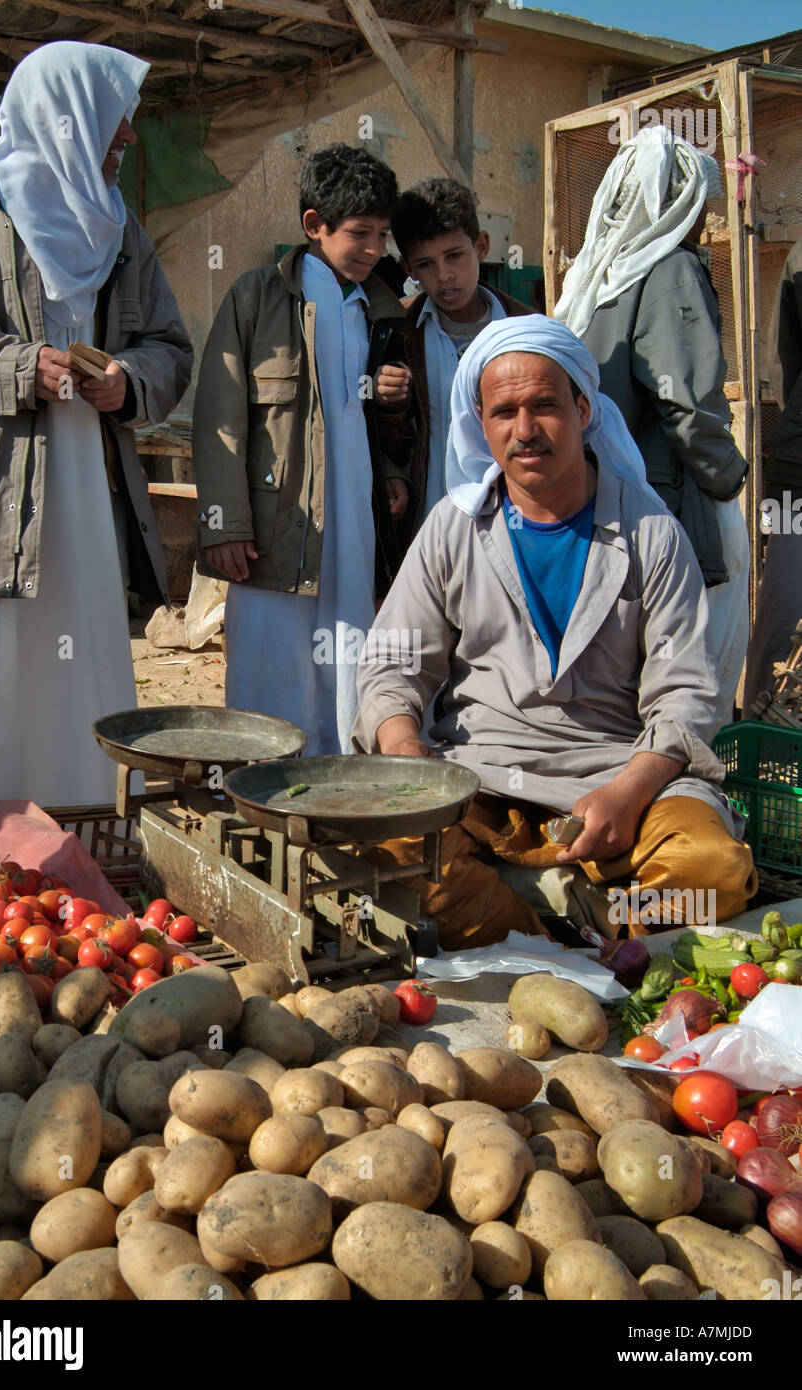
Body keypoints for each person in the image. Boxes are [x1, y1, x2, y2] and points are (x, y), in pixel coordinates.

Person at [352, 317, 757, 948]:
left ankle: (536, 926)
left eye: (545, 405)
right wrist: (403, 748)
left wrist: (628, 794)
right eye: (504, 411)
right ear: (480, 425)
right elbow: (392, 662)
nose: (525, 429)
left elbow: (686, 695)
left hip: (620, 777)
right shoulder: (452, 529)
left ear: (583, 409)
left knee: (710, 871)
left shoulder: (651, 531)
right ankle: (557, 945)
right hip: (478, 776)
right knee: (383, 836)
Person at [0, 42, 193, 816]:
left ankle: (79, 828)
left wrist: (127, 381)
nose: (130, 139)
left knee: (80, 653)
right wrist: (18, 367)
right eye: (117, 121)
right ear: (65, 115)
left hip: (89, 483)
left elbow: (172, 349)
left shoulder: (119, 228)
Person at [193, 144, 408, 755]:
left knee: (348, 652)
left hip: (351, 524)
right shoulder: (256, 298)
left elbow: (360, 419)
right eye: (359, 233)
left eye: (382, 235)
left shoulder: (379, 311)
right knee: (271, 657)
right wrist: (223, 524)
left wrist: (389, 469)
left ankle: (340, 781)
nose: (372, 248)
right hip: (275, 521)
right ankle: (264, 789)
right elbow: (220, 416)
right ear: (314, 226)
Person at [554, 126, 749, 733]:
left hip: (601, 499)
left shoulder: (597, 271)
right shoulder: (672, 269)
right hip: (669, 500)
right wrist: (728, 478)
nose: (704, 220)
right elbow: (688, 403)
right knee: (692, 665)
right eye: (700, 205)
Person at [374, 178, 531, 544]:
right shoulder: (393, 333)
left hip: (514, 525)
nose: (444, 275)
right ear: (407, 268)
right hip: (428, 529)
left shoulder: (526, 330)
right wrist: (388, 403)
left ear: (481, 247)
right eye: (426, 264)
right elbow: (385, 444)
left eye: (455, 256)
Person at [743, 236, 802, 714]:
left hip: (793, 456)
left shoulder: (801, 249)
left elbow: (785, 366)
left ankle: (767, 739)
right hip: (795, 461)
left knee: (782, 601)